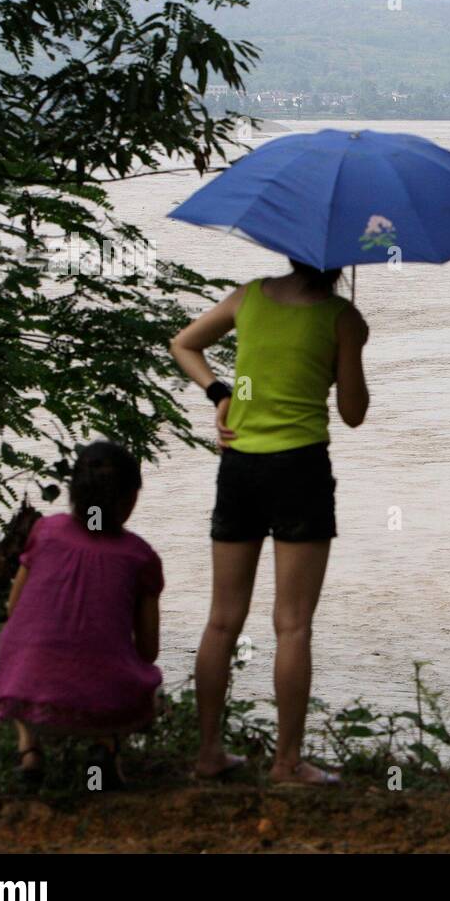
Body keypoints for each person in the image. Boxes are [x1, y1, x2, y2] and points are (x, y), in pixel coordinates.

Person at [170, 259, 369, 786]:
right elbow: (353, 413)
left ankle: (208, 753)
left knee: (221, 620)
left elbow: (183, 344)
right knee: (293, 624)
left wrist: (221, 393)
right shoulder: (341, 318)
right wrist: (353, 343)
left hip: (240, 469)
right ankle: (286, 763)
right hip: (300, 470)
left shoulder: (248, 297)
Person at [0, 441, 163, 788]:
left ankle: (30, 754)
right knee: (142, 675)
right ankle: (103, 749)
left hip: (24, 695)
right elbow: (148, 650)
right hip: (104, 709)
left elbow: (13, 608)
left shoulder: (46, 532)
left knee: (11, 646)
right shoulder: (140, 557)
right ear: (130, 499)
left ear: (73, 492)